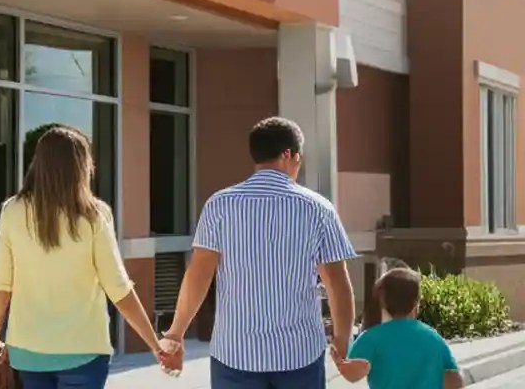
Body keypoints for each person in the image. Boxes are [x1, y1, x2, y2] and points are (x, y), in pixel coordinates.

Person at [158, 117, 357, 388]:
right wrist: (342, 341)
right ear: (288, 154)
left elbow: (199, 274)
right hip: (298, 354)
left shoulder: (220, 205)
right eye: (299, 158)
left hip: (235, 354)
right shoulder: (318, 209)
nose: (299, 165)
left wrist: (175, 335)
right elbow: (336, 281)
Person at [0, 125, 171, 388]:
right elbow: (119, 290)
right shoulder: (94, 215)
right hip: (84, 353)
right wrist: (154, 343)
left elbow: (1, 285)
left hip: (27, 352)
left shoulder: (12, 212)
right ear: (81, 167)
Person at [334, 267, 463, 389]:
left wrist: (340, 363)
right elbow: (455, 380)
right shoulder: (433, 337)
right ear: (416, 304)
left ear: (383, 302)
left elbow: (352, 375)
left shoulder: (371, 338)